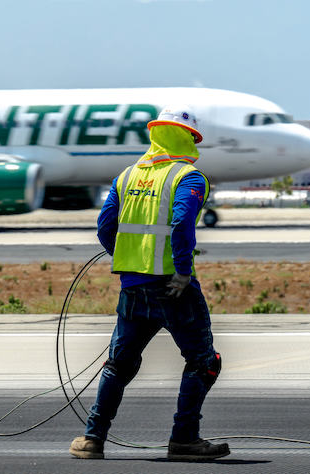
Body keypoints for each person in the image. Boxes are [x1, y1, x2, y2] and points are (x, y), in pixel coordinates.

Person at [69, 106, 229, 462]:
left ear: (155, 134)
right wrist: (182, 271)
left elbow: (105, 227)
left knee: (119, 364)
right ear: (189, 138)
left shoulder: (126, 177)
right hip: (174, 287)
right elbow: (182, 223)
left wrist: (128, 259)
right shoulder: (189, 177)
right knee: (204, 362)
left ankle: (92, 439)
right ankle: (184, 439)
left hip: (133, 287)